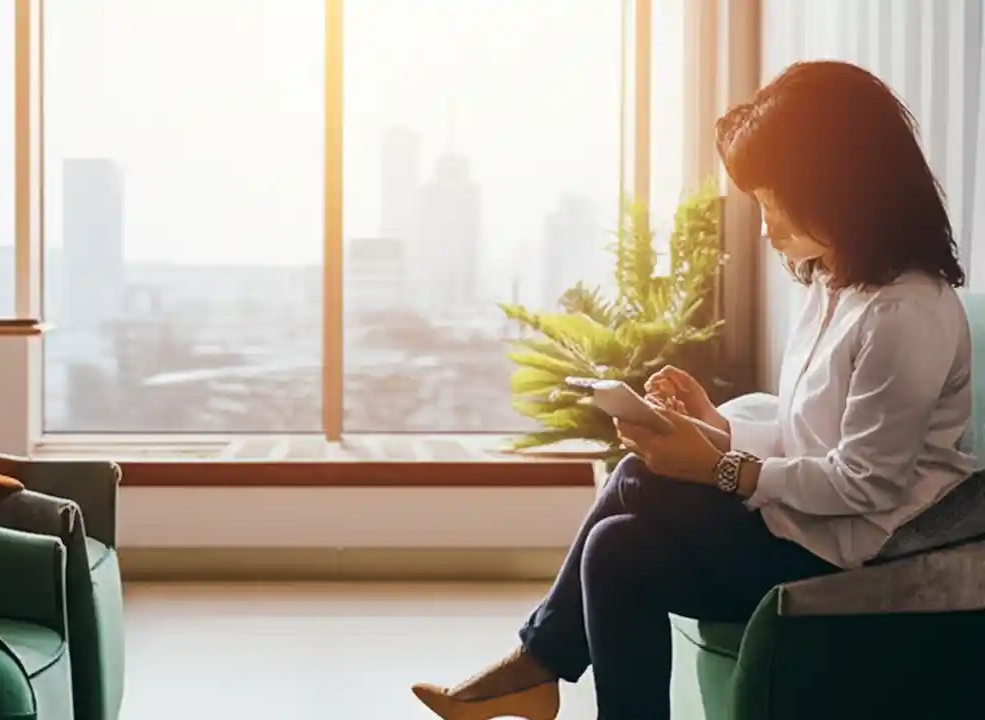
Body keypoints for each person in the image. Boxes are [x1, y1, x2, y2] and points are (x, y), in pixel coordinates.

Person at [411, 60, 977, 720]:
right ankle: (540, 669)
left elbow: (865, 486)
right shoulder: (836, 285)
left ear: (838, 186)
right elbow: (811, 433)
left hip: (857, 552)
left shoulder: (905, 314)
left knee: (637, 478)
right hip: (811, 525)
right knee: (614, 550)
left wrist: (719, 465)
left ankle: (536, 663)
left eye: (773, 202)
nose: (766, 228)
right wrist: (716, 427)